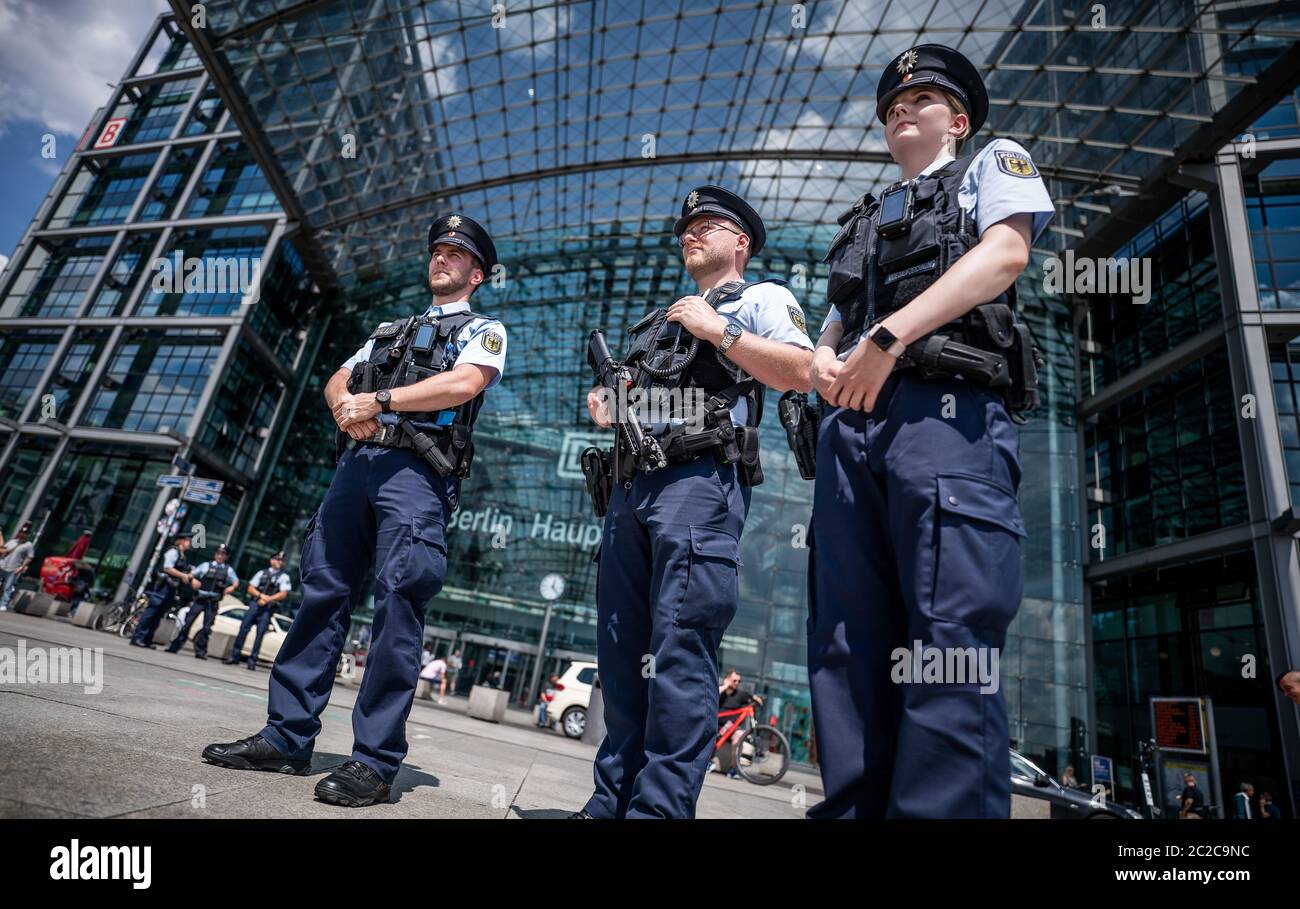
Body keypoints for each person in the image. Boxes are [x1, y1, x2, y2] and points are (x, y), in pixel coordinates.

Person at [805, 45, 1053, 819]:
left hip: (943, 417)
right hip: (853, 428)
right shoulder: (865, 217)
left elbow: (1006, 252)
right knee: (847, 642)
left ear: (960, 119)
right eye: (889, 106)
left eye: (922, 98)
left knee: (948, 637)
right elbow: (838, 315)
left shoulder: (991, 164)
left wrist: (887, 341)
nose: (900, 109)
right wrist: (821, 358)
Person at [202, 214, 507, 808]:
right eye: (437, 249)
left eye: (454, 253)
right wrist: (349, 407)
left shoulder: (486, 328)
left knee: (399, 602)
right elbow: (336, 380)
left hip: (416, 475)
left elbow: (464, 384)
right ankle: (287, 737)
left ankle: (374, 761)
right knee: (323, 593)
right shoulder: (389, 330)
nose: (440, 258)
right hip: (357, 467)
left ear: (476, 273)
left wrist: (381, 399)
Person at [573, 185, 813, 820]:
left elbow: (800, 371)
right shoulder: (660, 321)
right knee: (622, 651)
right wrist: (610, 406)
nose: (690, 233)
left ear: (740, 242)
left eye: (706, 224)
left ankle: (658, 812)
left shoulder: (764, 298)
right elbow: (636, 407)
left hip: (699, 485)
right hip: (631, 489)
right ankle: (610, 804)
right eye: (686, 226)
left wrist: (722, 332)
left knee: (679, 648)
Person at [166, 543, 238, 659]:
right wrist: (193, 580)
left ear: (226, 557)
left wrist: (231, 588)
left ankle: (200, 651)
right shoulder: (205, 565)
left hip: (213, 601)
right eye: (218, 553)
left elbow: (236, 583)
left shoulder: (228, 570)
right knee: (187, 623)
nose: (220, 556)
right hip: (200, 599)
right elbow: (190, 575)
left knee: (206, 627)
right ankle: (175, 646)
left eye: (222, 554)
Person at [225, 551, 292, 670]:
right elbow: (250, 588)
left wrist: (267, 599)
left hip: (268, 608)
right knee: (243, 629)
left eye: (281, 560)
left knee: (260, 634)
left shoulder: (284, 577)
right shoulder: (261, 573)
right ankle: (234, 656)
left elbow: (284, 593)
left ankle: (252, 661)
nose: (279, 562)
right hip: (255, 604)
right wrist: (261, 596)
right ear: (272, 560)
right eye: (277, 559)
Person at [130, 531, 196, 648]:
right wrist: (183, 575)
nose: (190, 543)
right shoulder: (173, 552)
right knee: (151, 612)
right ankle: (138, 637)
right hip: (163, 587)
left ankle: (147, 639)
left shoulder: (182, 555)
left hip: (171, 588)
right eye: (189, 540)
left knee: (159, 614)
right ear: (182, 540)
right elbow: (167, 568)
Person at [716, 669, 763, 778]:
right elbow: (713, 693)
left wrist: (757, 698)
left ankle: (733, 769)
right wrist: (725, 686)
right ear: (727, 679)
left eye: (739, 681)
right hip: (716, 726)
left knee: (739, 735)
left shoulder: (740, 694)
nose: (737, 683)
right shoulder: (720, 691)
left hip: (731, 729)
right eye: (734, 680)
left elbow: (752, 697)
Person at [0, 522, 35, 612]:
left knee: (8, 587)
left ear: (28, 535)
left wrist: (22, 567)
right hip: (2, 565)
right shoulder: (12, 541)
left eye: (25, 533)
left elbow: (29, 557)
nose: (22, 535)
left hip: (14, 568)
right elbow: (3, 550)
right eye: (21, 533)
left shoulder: (29, 545)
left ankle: (3, 604)